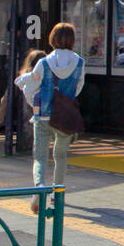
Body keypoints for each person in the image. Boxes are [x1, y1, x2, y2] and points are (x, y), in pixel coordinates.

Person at [29, 23, 85, 211]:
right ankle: (56, 195)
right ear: (72, 40)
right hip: (65, 117)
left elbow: (31, 87)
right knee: (60, 156)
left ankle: (39, 189)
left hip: (43, 116)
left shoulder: (43, 63)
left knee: (40, 157)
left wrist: (34, 105)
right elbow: (78, 87)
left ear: (52, 38)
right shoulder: (79, 62)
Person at [0, 49, 45, 131]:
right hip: (42, 102)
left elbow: (16, 85)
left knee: (7, 97)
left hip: (30, 98)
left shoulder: (25, 73)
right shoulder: (46, 72)